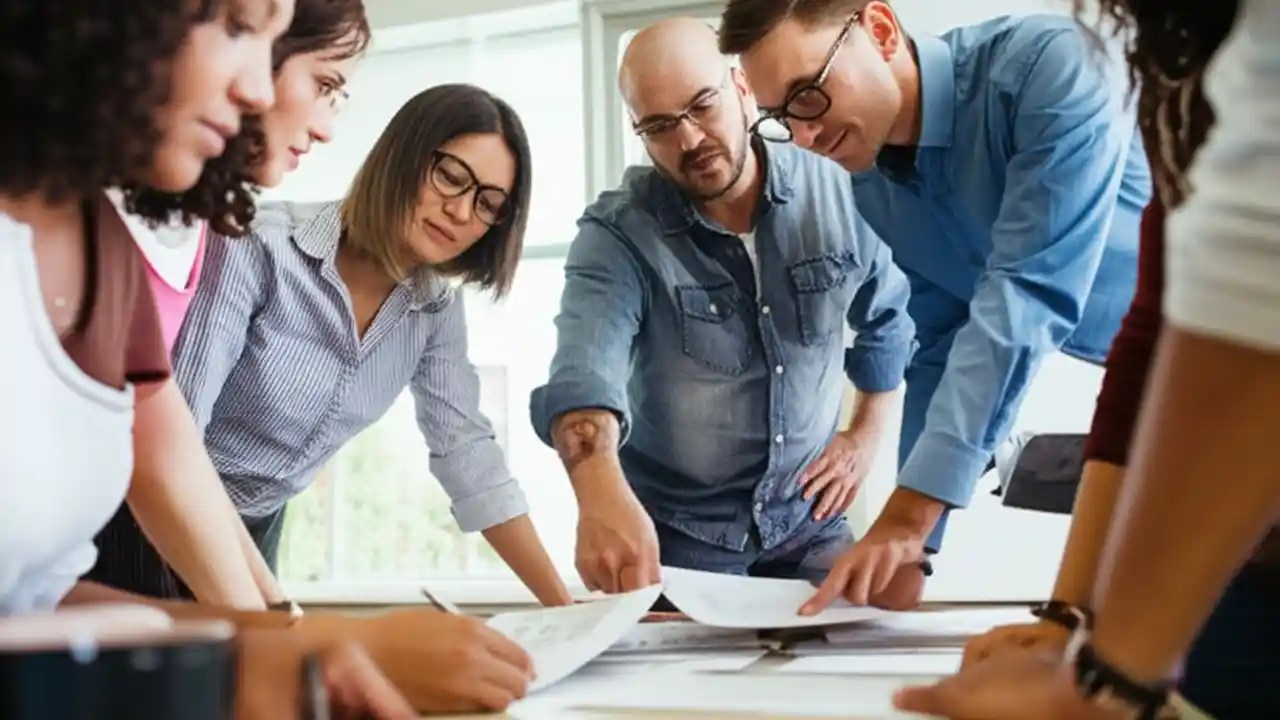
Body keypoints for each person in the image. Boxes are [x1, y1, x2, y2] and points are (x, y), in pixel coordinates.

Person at [0, 2, 535, 714]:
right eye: (237, 28)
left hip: (237, 538)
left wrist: (291, 641)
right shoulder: (253, 247)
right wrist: (296, 643)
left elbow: (41, 600)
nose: (260, 89)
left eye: (489, 203)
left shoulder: (110, 250)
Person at [893, 1, 1280, 718]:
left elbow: (1258, 282)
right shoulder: (1185, 65)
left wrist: (1111, 683)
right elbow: (1152, 334)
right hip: (1247, 559)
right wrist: (1069, 621)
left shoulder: (1045, 62)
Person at [718, 0, 1152, 612]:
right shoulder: (870, 184)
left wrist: (910, 516)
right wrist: (918, 550)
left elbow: (1026, 296)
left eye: (809, 93)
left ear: (880, 29)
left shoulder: (1052, 66)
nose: (806, 135)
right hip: (1162, 376)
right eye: (780, 117)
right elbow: (940, 347)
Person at [530, 18, 918, 601]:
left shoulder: (840, 186)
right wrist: (598, 489)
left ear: (740, 87)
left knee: (897, 606)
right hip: (679, 538)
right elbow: (584, 370)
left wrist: (864, 437)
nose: (688, 141)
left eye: (701, 106)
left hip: (808, 522)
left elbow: (890, 318)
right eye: (659, 126)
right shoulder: (617, 232)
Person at [171, 83, 573, 607]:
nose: (460, 211)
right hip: (166, 507)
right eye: (451, 177)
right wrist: (267, 606)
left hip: (257, 529)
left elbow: (467, 453)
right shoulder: (259, 246)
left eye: (488, 203)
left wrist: (563, 608)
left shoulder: (434, 309)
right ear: (401, 155)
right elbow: (177, 431)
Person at [87, 0, 373, 607]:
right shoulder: (81, 219)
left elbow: (168, 439)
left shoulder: (187, 224)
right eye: (323, 85)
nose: (325, 128)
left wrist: (276, 620)